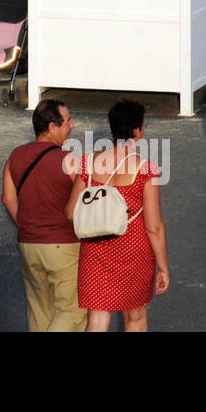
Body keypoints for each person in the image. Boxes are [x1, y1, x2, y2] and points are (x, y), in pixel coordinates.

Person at [66, 99, 169, 332]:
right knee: (135, 317)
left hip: (95, 247)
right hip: (134, 250)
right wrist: (163, 267)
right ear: (136, 130)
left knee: (98, 318)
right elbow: (154, 227)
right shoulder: (146, 169)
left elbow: (71, 212)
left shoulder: (88, 162)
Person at [1, 98, 85, 332]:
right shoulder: (69, 160)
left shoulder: (15, 156)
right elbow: (82, 203)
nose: (72, 126)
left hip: (29, 244)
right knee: (71, 310)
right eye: (67, 122)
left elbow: (8, 199)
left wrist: (28, 226)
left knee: (40, 312)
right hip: (64, 245)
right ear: (51, 127)